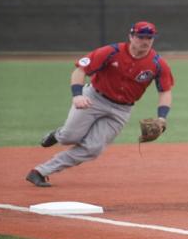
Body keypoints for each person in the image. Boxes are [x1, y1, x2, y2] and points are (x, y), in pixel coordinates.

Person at [28, 21, 174, 188]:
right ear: (131, 36)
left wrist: (162, 118)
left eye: (150, 37)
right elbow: (80, 70)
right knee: (70, 137)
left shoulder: (157, 63)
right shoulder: (111, 52)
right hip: (93, 99)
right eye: (141, 37)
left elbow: (165, 91)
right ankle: (58, 135)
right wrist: (77, 95)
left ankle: (40, 172)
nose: (145, 41)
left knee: (93, 149)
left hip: (122, 109)